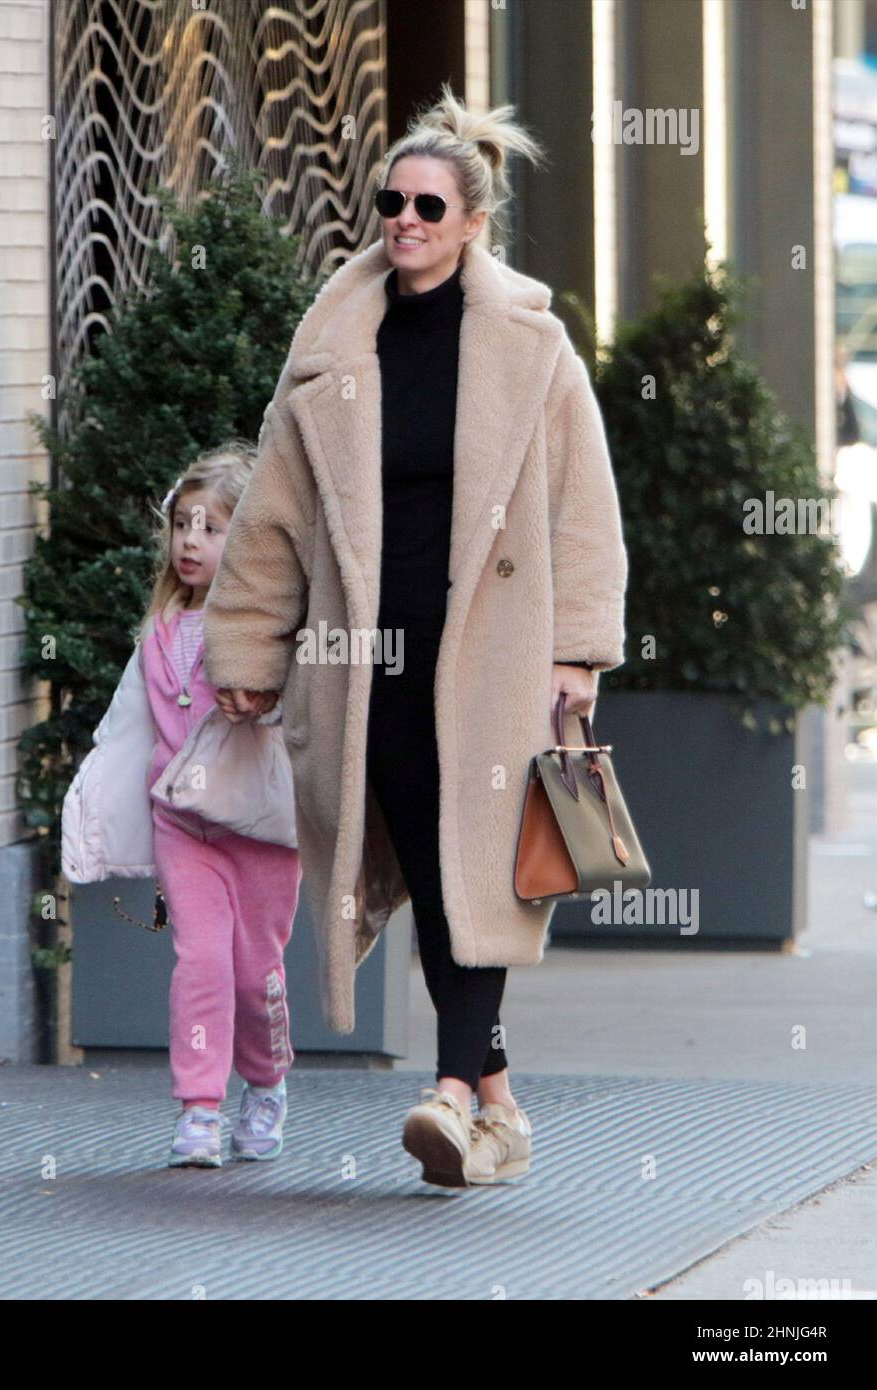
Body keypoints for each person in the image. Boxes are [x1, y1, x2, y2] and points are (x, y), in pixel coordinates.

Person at [202, 86, 629, 1188]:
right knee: (437, 868)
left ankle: (448, 1089)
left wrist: (576, 649)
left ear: (472, 219)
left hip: (491, 658)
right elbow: (273, 517)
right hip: (364, 661)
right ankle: (492, 1102)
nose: (403, 220)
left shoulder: (534, 346)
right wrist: (247, 652)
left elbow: (583, 505)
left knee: (472, 863)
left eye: (427, 206)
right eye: (390, 202)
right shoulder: (332, 347)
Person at [141, 442, 302, 1168]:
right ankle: (198, 1109)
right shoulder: (160, 630)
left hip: (262, 827)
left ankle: (265, 1083)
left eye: (209, 527)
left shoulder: (267, 631)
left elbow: (299, 712)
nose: (190, 542)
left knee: (251, 972)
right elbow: (127, 730)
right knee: (199, 959)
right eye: (182, 525)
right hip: (183, 824)